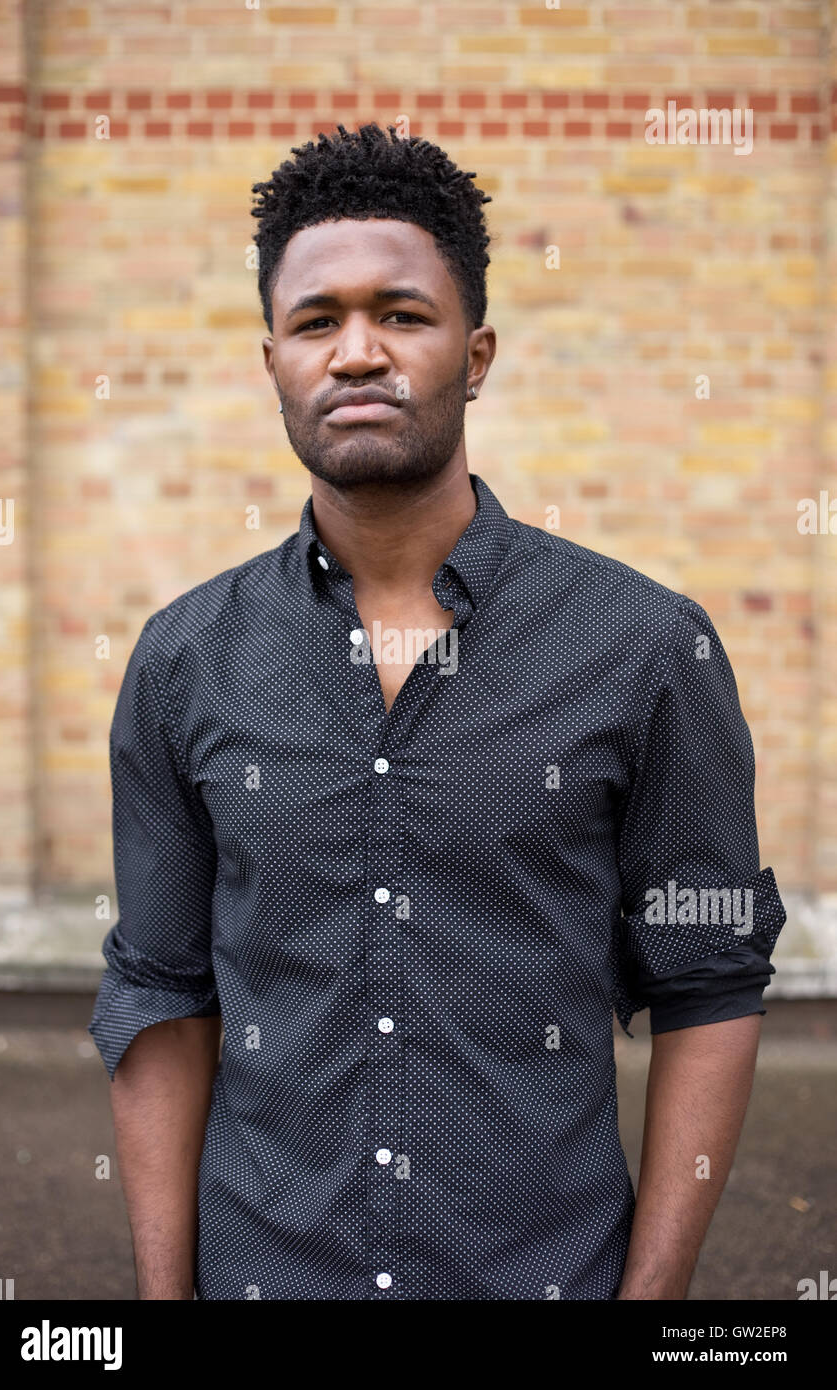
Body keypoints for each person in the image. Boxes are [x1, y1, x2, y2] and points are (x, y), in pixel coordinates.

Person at [88, 122, 787, 1301]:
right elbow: (160, 988)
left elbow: (705, 982)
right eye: (317, 322)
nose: (356, 352)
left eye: (401, 315)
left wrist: (652, 1304)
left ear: (475, 353)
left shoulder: (645, 647)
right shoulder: (182, 663)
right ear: (272, 360)